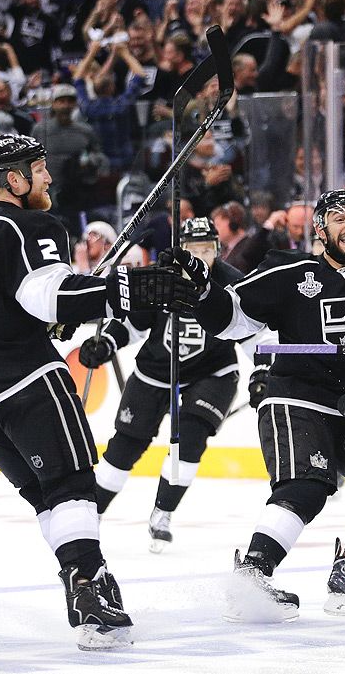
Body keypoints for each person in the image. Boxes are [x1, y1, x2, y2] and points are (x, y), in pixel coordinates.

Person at [0, 134, 199, 650]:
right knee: (74, 483)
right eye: (37, 169)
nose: (48, 178)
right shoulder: (32, 223)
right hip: (22, 375)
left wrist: (55, 315)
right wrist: (140, 286)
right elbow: (50, 295)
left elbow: (7, 300)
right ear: (13, 179)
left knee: (44, 495)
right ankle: (88, 588)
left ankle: (81, 582)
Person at [192, 190, 345, 622]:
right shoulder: (289, 271)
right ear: (320, 230)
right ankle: (252, 572)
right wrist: (200, 291)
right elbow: (231, 319)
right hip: (297, 397)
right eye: (338, 218)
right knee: (306, 485)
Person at [81, 217, 244, 553]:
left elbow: (253, 330)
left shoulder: (231, 283)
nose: (201, 256)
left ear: (218, 249)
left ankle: (163, 514)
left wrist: (263, 372)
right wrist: (107, 344)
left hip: (211, 372)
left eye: (207, 249)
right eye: (193, 249)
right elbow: (133, 324)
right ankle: (88, 518)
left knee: (191, 440)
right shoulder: (161, 276)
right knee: (124, 446)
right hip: (155, 370)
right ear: (182, 250)